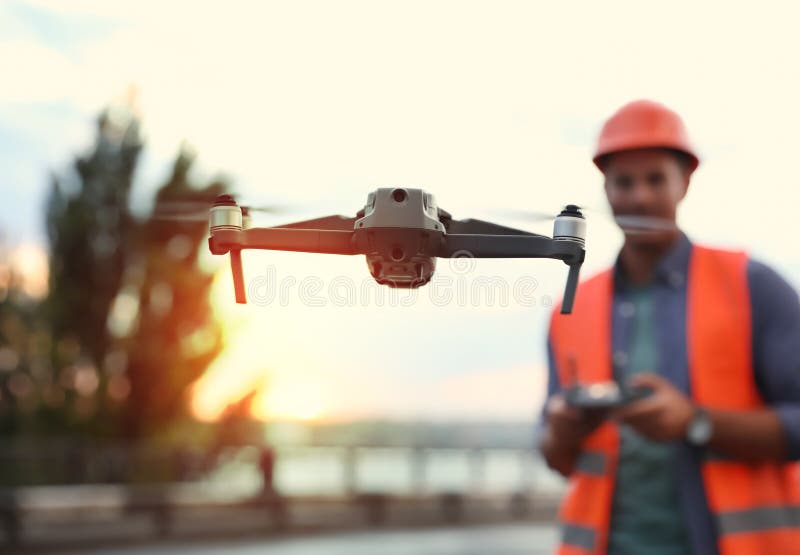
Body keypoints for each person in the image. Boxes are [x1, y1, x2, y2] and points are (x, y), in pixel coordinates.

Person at [539, 99, 800, 555]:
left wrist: (696, 421)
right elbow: (556, 457)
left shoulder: (754, 286)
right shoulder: (571, 308)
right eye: (624, 181)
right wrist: (564, 429)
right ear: (605, 188)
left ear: (685, 182)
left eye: (655, 178)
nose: (639, 196)